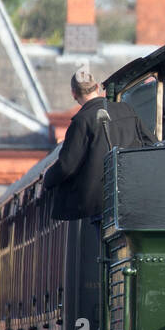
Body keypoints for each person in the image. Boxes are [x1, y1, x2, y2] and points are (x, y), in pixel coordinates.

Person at [43, 67, 156, 220]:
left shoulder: (81, 121)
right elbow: (151, 144)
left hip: (100, 203)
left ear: (73, 93)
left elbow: (67, 165)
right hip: (132, 194)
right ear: (97, 87)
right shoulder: (126, 110)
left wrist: (48, 179)